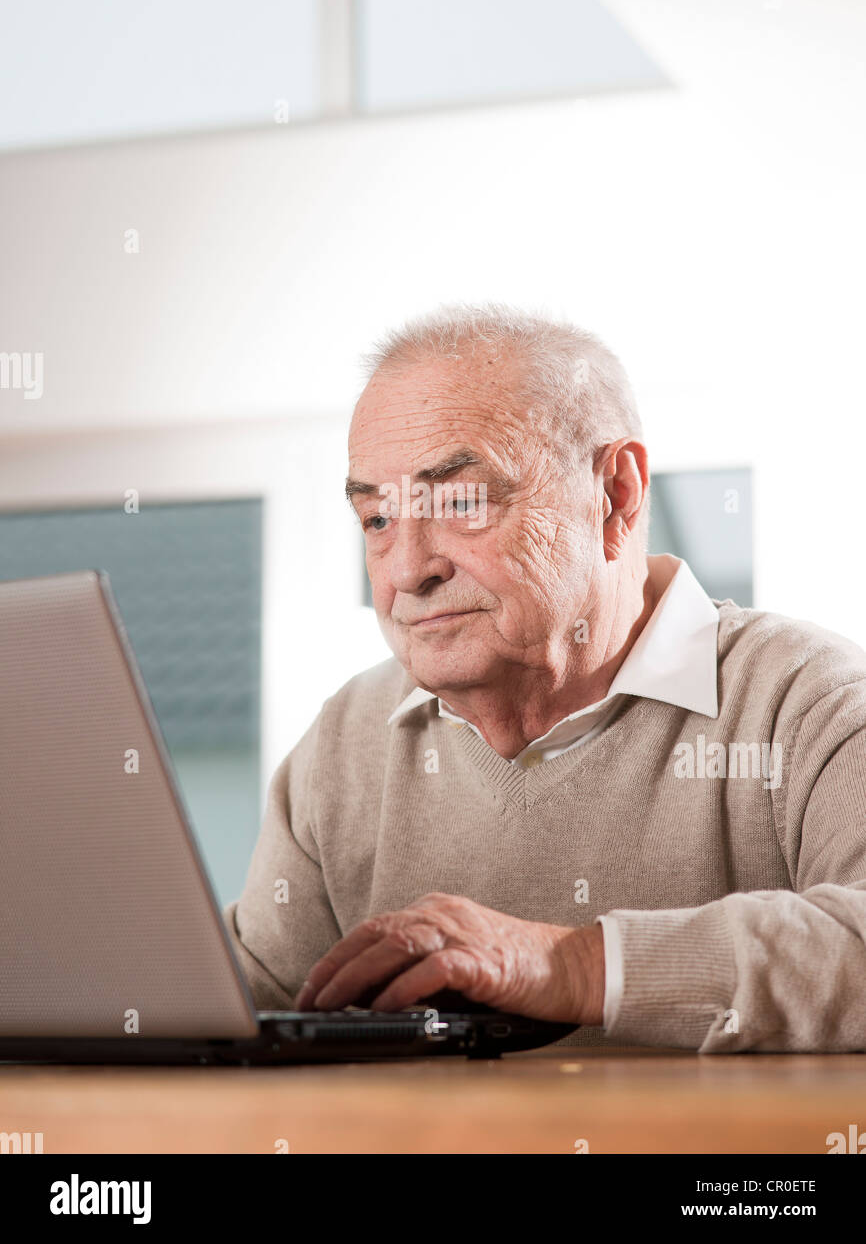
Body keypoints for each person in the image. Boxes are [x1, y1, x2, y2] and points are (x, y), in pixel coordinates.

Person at [224, 301, 866, 1051]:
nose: (404, 571)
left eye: (461, 501)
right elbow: (242, 1012)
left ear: (615, 495)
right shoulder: (345, 740)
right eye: (377, 520)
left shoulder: (809, 702)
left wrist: (571, 966)